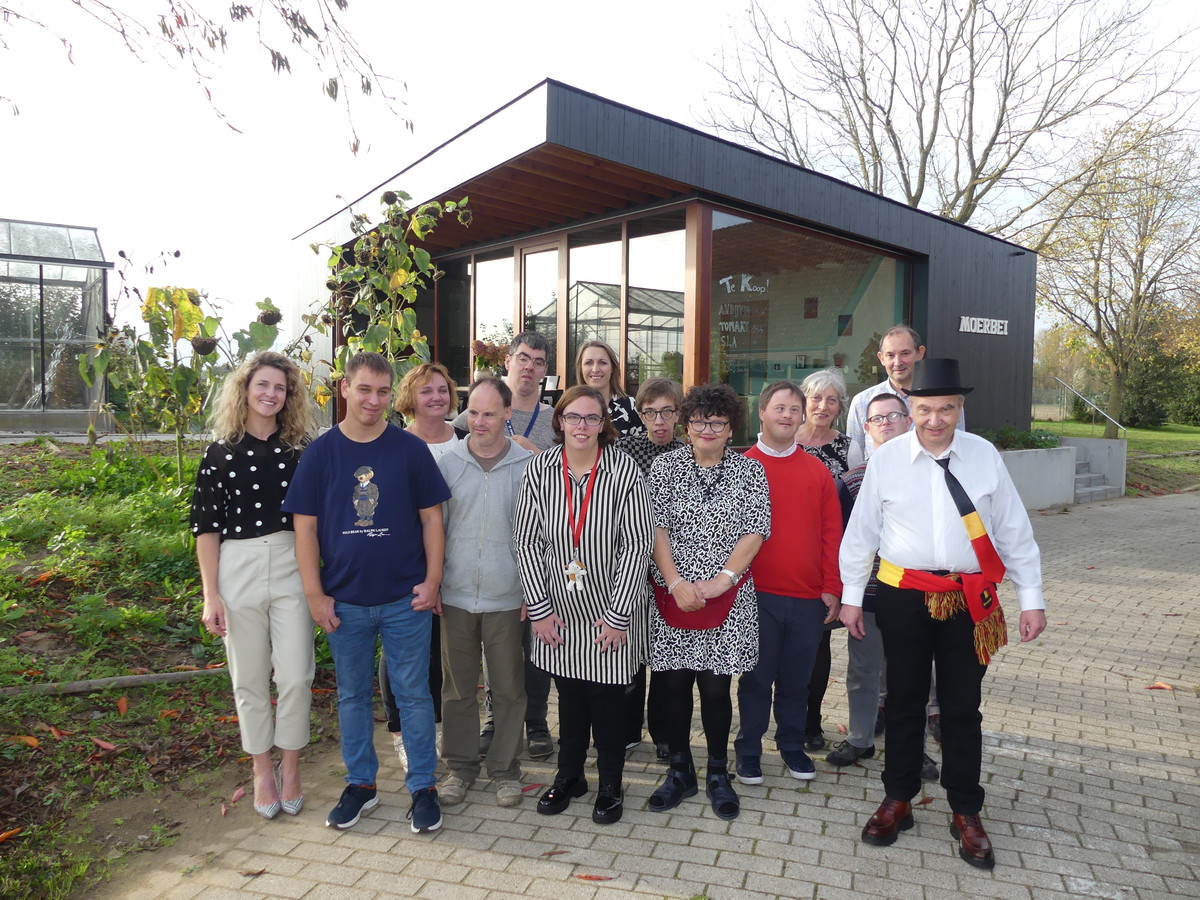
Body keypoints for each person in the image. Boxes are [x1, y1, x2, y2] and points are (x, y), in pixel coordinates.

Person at [840, 358, 1047, 870]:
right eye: (925, 409)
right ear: (910, 408)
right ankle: (898, 798)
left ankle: (965, 809)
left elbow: (1014, 530)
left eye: (946, 409)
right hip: (903, 597)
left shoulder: (984, 455)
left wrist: (1032, 598)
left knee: (961, 708)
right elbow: (862, 532)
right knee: (903, 702)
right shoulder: (887, 460)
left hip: (966, 599)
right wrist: (851, 595)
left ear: (960, 408)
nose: (935, 420)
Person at [284, 351, 451, 834]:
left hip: (405, 600)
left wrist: (433, 580)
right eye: (364, 390)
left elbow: (432, 520)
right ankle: (361, 784)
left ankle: (423, 787)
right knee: (352, 696)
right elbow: (304, 530)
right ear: (345, 388)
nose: (373, 400)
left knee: (414, 696)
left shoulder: (410, 449)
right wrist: (315, 595)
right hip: (345, 602)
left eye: (382, 391)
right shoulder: (320, 454)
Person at [513, 385, 654, 826]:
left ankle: (610, 783)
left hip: (610, 610)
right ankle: (570, 776)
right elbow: (525, 541)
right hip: (558, 611)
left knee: (608, 705)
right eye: (573, 417)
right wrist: (538, 609)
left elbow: (637, 545)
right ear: (559, 421)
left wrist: (618, 616)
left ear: (603, 423)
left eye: (592, 418)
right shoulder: (539, 469)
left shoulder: (623, 470)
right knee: (570, 700)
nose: (582, 425)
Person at [192, 351, 317, 820]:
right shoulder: (218, 453)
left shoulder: (301, 449)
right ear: (244, 389)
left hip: (292, 561)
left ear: (289, 396)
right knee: (248, 677)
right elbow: (206, 527)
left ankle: (291, 767)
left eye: (280, 388)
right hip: (237, 565)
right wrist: (211, 595)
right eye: (262, 384)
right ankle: (262, 769)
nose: (271, 394)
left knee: (296, 675)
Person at [646, 383, 770, 821]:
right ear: (687, 425)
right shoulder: (664, 468)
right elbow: (655, 529)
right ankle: (680, 771)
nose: (708, 429)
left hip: (728, 597)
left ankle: (718, 772)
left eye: (718, 422)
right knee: (673, 684)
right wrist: (676, 582)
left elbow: (755, 530)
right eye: (699, 421)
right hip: (673, 593)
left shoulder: (750, 472)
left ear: (731, 427)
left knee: (717, 688)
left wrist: (723, 580)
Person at [453, 331, 556, 759]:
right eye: (523, 358)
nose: (529, 367)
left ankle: (536, 722)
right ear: (509, 361)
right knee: (498, 649)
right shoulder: (473, 415)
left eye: (539, 361)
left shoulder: (555, 418)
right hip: (487, 551)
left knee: (537, 642)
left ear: (545, 371)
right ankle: (494, 720)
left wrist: (534, 454)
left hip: (539, 550)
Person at [735, 381, 842, 784]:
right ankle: (748, 749)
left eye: (794, 409)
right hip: (754, 595)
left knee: (797, 679)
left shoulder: (818, 472)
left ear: (802, 417)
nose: (787, 415)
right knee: (756, 679)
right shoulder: (742, 467)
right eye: (779, 408)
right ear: (761, 413)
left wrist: (832, 586)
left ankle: (792, 744)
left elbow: (832, 534)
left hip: (806, 597)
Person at [436, 378, 533, 809]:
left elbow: (539, 535)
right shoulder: (447, 463)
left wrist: (533, 591)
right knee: (457, 689)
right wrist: (434, 581)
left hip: (508, 596)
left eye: (490, 414)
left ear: (507, 414)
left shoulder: (529, 467)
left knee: (509, 688)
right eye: (473, 412)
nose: (479, 422)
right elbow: (434, 528)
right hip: (455, 595)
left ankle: (506, 770)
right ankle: (459, 768)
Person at [380, 362, 466, 767]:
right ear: (409, 398)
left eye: (442, 389)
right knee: (402, 651)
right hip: (409, 564)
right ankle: (402, 733)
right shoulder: (393, 444)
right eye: (426, 390)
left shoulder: (465, 441)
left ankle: (440, 726)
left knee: (444, 652)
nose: (436, 397)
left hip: (459, 565)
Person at [825, 392, 910, 769]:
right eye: (878, 419)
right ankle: (860, 739)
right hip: (868, 595)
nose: (886, 423)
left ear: (908, 421)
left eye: (894, 416)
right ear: (866, 428)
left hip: (915, 594)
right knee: (862, 671)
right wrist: (847, 596)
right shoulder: (852, 481)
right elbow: (840, 541)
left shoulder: (930, 473)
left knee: (911, 674)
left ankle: (913, 747)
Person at [615, 377, 685, 759]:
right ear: (640, 415)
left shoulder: (688, 454)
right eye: (651, 413)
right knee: (629, 650)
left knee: (664, 652)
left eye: (667, 412)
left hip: (671, 568)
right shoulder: (622, 452)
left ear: (678, 414)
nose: (659, 421)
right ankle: (627, 727)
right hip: (629, 565)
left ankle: (662, 731)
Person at [795, 367, 861, 752]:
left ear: (839, 407)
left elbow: (856, 510)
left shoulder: (849, 448)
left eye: (831, 400)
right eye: (816, 398)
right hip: (783, 556)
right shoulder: (782, 439)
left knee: (818, 643)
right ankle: (786, 716)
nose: (822, 406)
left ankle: (811, 722)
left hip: (826, 558)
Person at [846, 325, 964, 459]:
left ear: (920, 353)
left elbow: (957, 450)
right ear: (881, 358)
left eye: (905, 353)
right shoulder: (861, 403)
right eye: (890, 355)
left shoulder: (946, 402)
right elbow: (855, 459)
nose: (897, 362)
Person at [575, 339, 644, 437]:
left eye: (602, 363)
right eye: (589, 363)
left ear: (612, 368)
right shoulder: (571, 407)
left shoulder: (630, 406)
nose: (595, 369)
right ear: (581, 368)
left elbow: (641, 443)